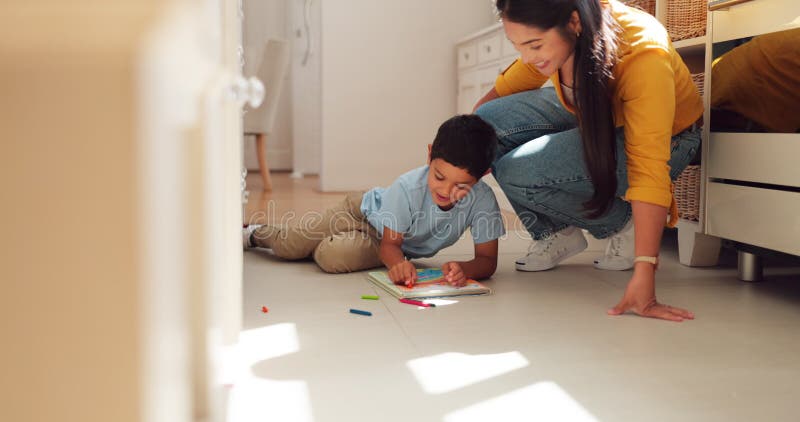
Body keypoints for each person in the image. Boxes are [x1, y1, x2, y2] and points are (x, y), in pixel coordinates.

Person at [472, 0, 701, 321]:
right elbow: (513, 81)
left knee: (516, 170)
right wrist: (459, 143)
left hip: (670, 138)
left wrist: (645, 272)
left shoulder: (645, 56)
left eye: (534, 45)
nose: (526, 57)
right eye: (517, 46)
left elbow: (649, 165)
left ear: (574, 23)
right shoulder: (562, 31)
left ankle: (623, 223)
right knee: (484, 125)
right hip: (600, 113)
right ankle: (556, 231)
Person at [244, 115, 505, 287]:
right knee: (291, 245)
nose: (446, 190)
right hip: (361, 213)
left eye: (461, 186)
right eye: (439, 176)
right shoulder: (408, 188)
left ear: (482, 175)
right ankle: (255, 233)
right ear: (429, 156)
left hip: (386, 241)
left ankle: (316, 244)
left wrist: (465, 269)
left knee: (330, 257)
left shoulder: (483, 201)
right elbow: (391, 246)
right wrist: (398, 263)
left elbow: (487, 260)